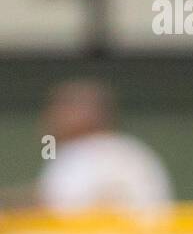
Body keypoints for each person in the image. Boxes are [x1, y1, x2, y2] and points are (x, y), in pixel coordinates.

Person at [21, 79, 173, 221]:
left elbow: (56, 206)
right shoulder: (77, 150)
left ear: (90, 113)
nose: (53, 116)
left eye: (65, 107)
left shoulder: (110, 150)